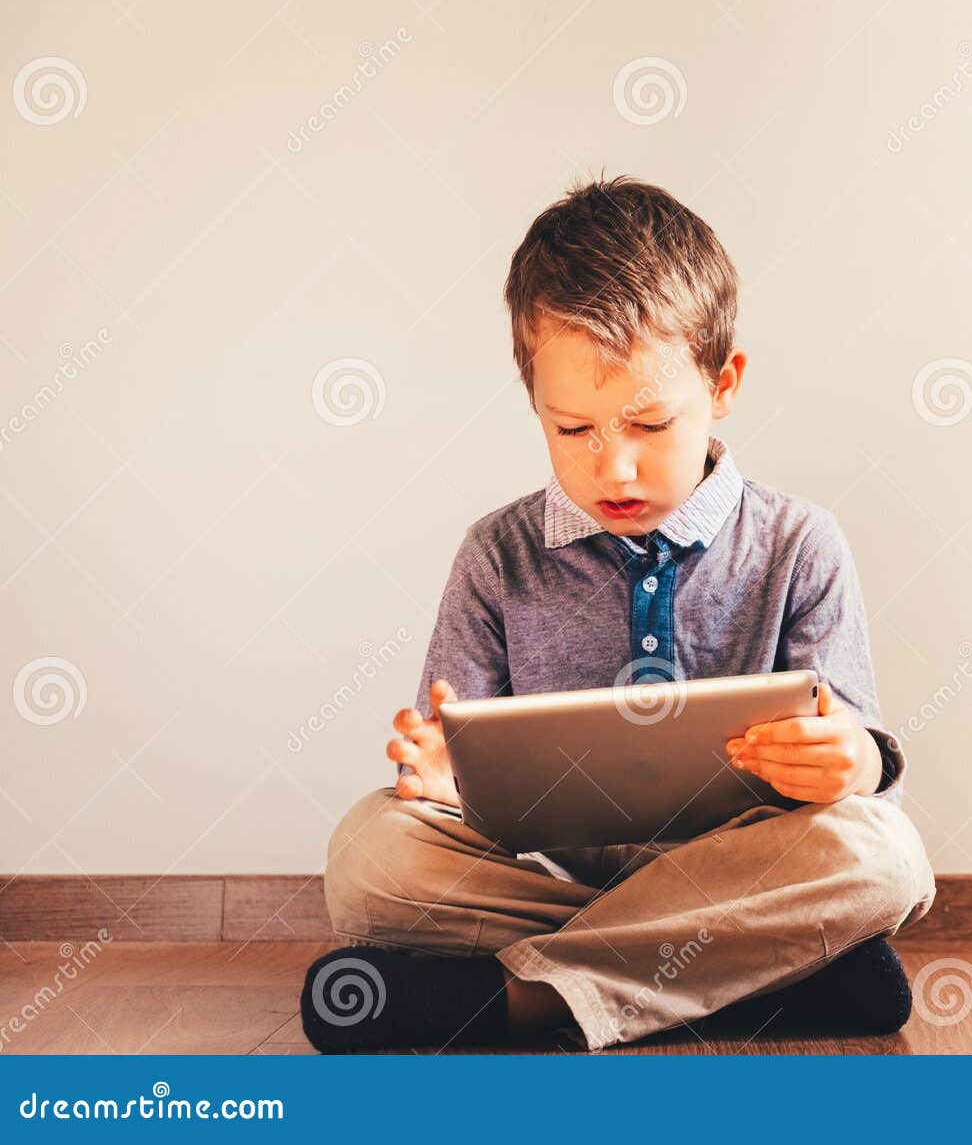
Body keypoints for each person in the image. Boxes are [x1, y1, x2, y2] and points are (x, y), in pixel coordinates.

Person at [300, 176, 936, 1052]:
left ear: (723, 382)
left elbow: (859, 769)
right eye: (574, 431)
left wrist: (853, 758)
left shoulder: (800, 542)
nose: (615, 470)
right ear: (534, 399)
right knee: (367, 855)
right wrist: (442, 781)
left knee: (884, 854)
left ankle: (533, 998)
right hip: (560, 876)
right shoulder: (497, 554)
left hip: (746, 864)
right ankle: (751, 973)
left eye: (650, 424)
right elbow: (451, 774)